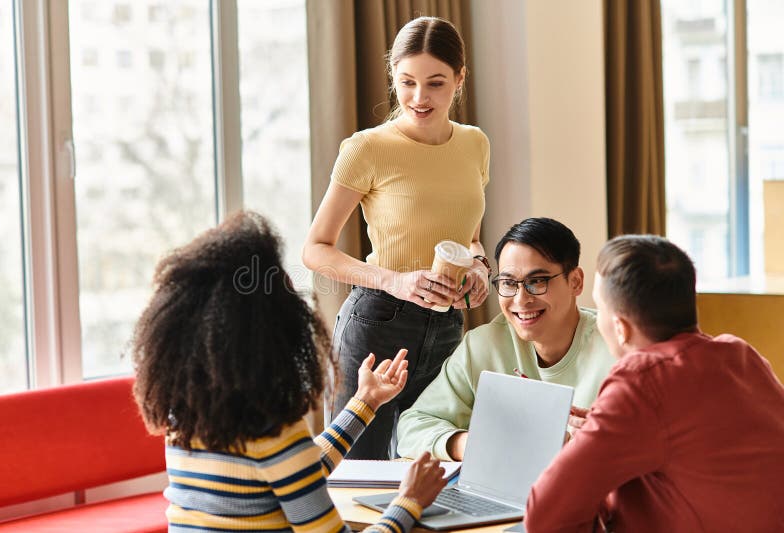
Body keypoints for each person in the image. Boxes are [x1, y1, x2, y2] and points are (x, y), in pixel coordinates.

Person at [131, 211, 447, 533]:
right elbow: (292, 464)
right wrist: (408, 502)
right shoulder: (273, 430)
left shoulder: (184, 418)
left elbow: (297, 471)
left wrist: (365, 402)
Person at [303, 16, 491, 459]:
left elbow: (470, 239)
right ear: (393, 76)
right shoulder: (367, 148)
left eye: (435, 83)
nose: (419, 98)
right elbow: (314, 249)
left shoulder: (475, 144)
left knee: (432, 463)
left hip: (447, 326)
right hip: (378, 325)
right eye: (407, 82)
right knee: (359, 470)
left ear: (460, 78)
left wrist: (480, 268)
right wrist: (394, 280)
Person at [526, 235, 784, 532]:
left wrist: (580, 454)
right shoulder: (740, 356)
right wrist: (607, 437)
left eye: (598, 307)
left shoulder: (640, 382)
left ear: (621, 328)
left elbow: (545, 518)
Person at [397, 218, 615, 460]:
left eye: (537, 281)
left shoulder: (619, 346)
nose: (521, 300)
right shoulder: (482, 345)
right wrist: (473, 445)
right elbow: (413, 426)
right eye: (509, 283)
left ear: (575, 282)